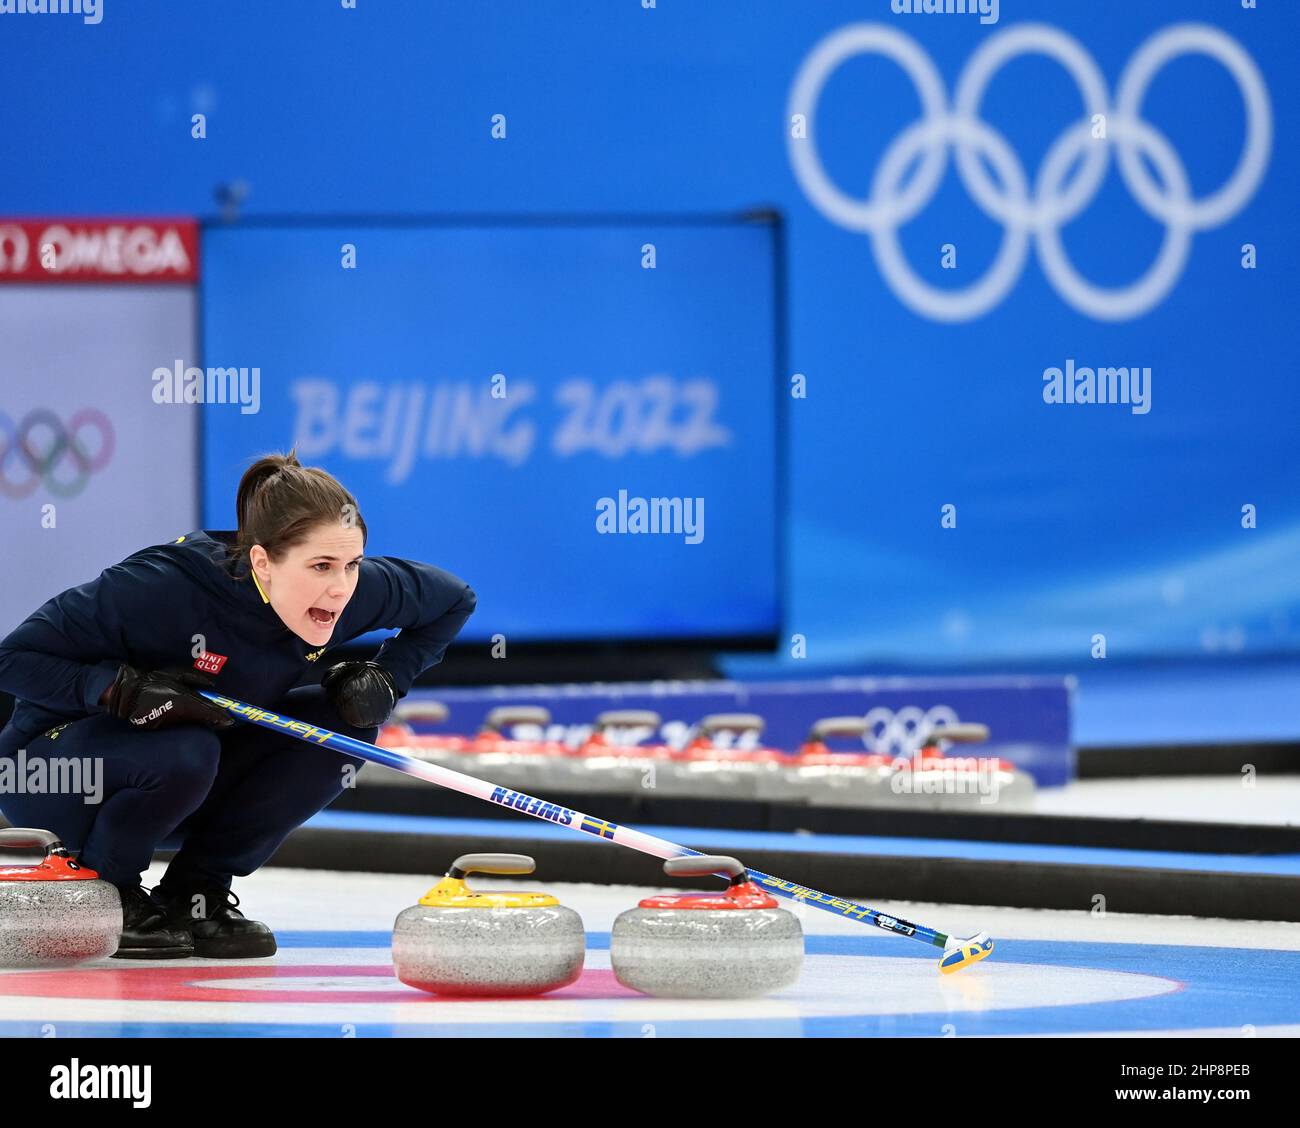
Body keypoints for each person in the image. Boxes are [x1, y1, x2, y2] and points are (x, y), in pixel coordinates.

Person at [0, 451, 475, 959]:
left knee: (343, 728)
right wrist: (116, 689)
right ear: (262, 562)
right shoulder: (160, 587)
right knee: (187, 748)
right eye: (320, 567)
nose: (340, 589)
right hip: (50, 776)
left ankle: (194, 892)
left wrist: (387, 676)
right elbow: (12, 660)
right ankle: (107, 891)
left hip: (187, 781)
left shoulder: (349, 592)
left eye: (352, 564)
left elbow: (453, 599)